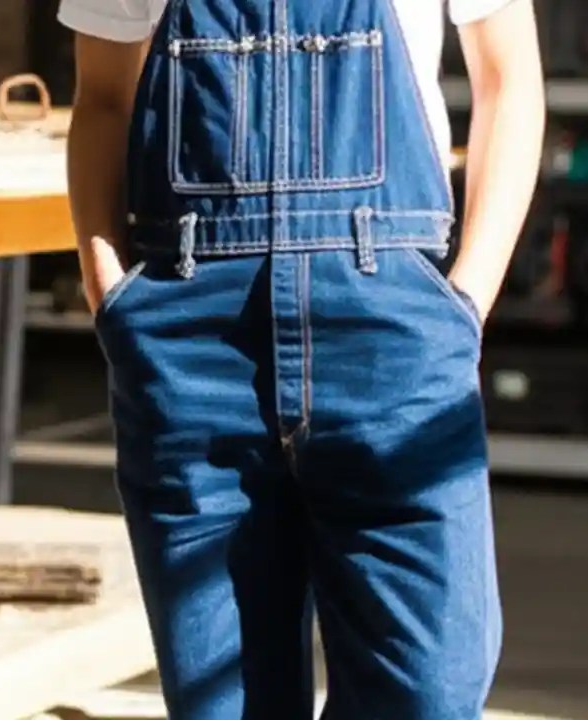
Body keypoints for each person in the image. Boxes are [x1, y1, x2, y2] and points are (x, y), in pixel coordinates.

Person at [60, 0, 544, 716]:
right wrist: (115, 304)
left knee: (428, 690)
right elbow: (101, 98)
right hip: (195, 354)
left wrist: (465, 302)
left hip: (393, 343)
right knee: (225, 704)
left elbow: (509, 79)